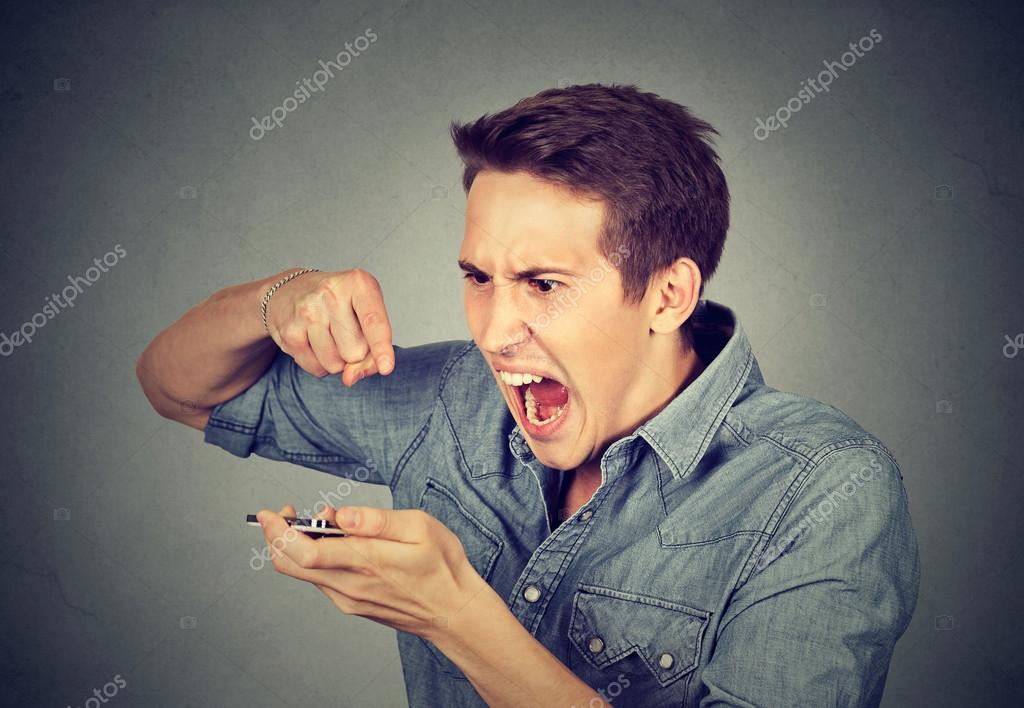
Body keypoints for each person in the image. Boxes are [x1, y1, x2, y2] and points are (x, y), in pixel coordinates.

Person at [136, 83, 920, 707]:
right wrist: (275, 298)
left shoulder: (825, 489)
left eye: (543, 284)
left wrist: (457, 615)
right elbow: (175, 387)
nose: (495, 332)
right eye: (478, 278)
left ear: (669, 295)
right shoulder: (450, 398)